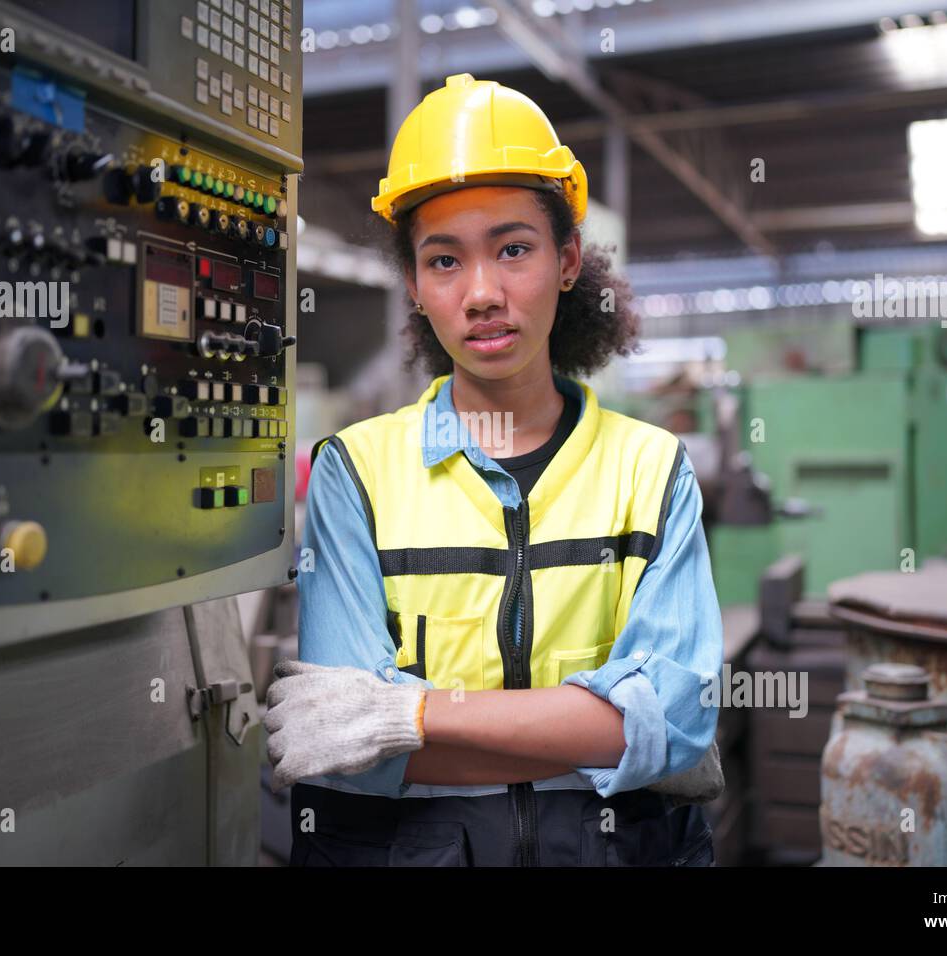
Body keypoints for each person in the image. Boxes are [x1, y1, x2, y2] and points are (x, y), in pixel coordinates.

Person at [264, 73, 724, 867]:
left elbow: (675, 722)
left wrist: (409, 717)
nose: (482, 293)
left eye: (514, 249)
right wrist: (603, 735)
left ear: (568, 259)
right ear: (414, 285)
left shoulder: (650, 469)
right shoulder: (355, 473)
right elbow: (347, 752)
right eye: (444, 260)